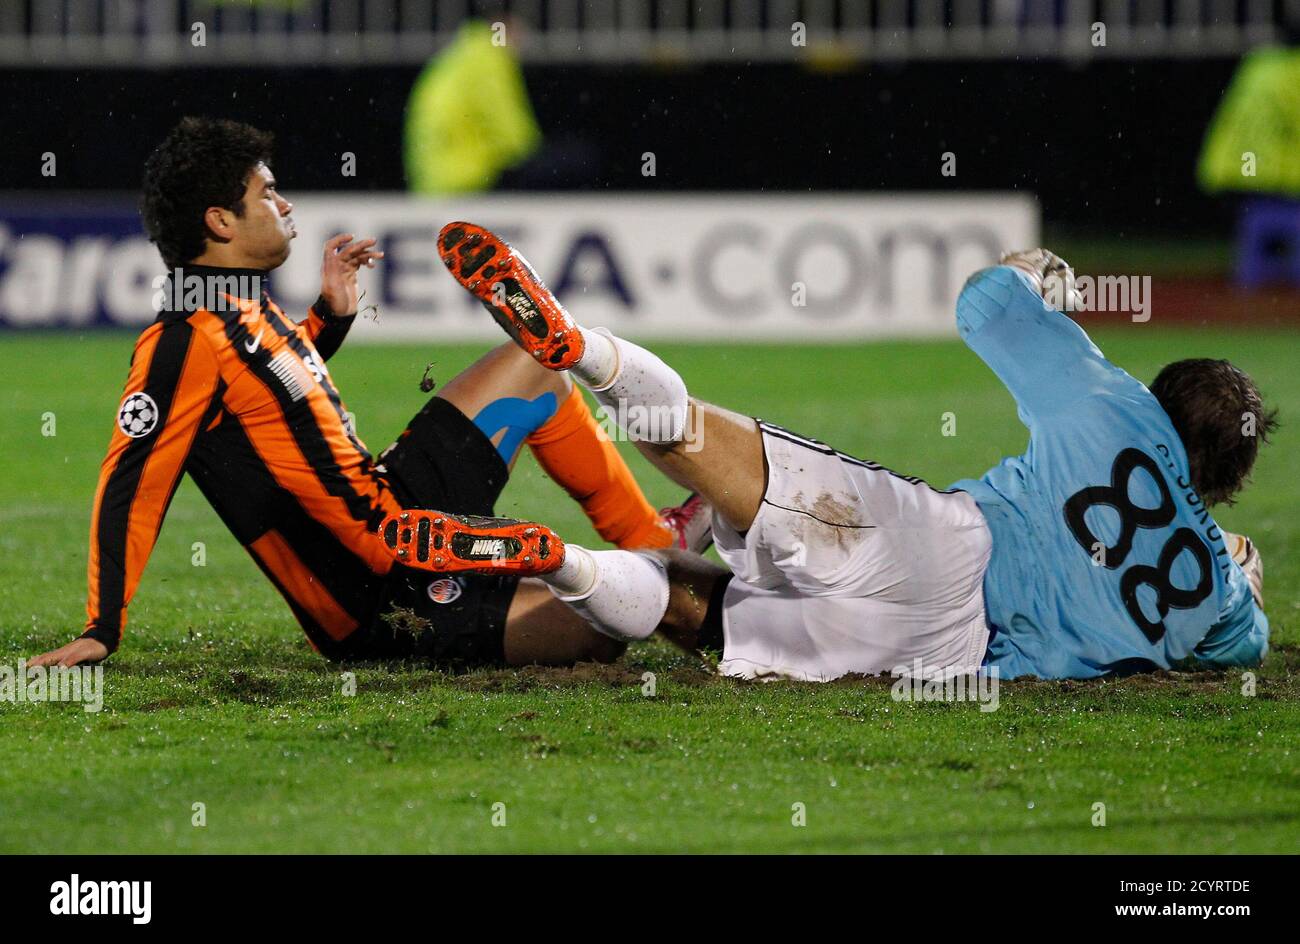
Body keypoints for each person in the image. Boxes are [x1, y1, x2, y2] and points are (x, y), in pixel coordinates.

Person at [409, 222, 1273, 682]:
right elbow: (1246, 642)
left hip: (946, 545)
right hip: (947, 661)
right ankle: (566, 565)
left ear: (1160, 404)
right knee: (706, 617)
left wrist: (1033, 277)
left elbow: (983, 304)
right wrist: (1239, 570)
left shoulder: (1117, 406)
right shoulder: (1224, 594)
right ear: (1225, 486)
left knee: (710, 452)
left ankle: (586, 352)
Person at [28, 118, 698, 671]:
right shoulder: (181, 342)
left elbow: (273, 405)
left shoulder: (242, 309)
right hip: (373, 592)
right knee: (615, 621)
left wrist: (328, 319)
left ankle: (643, 535)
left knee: (537, 370)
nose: (285, 204)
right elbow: (133, 480)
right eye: (266, 194)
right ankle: (571, 575)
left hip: (394, 507)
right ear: (220, 222)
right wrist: (102, 625)